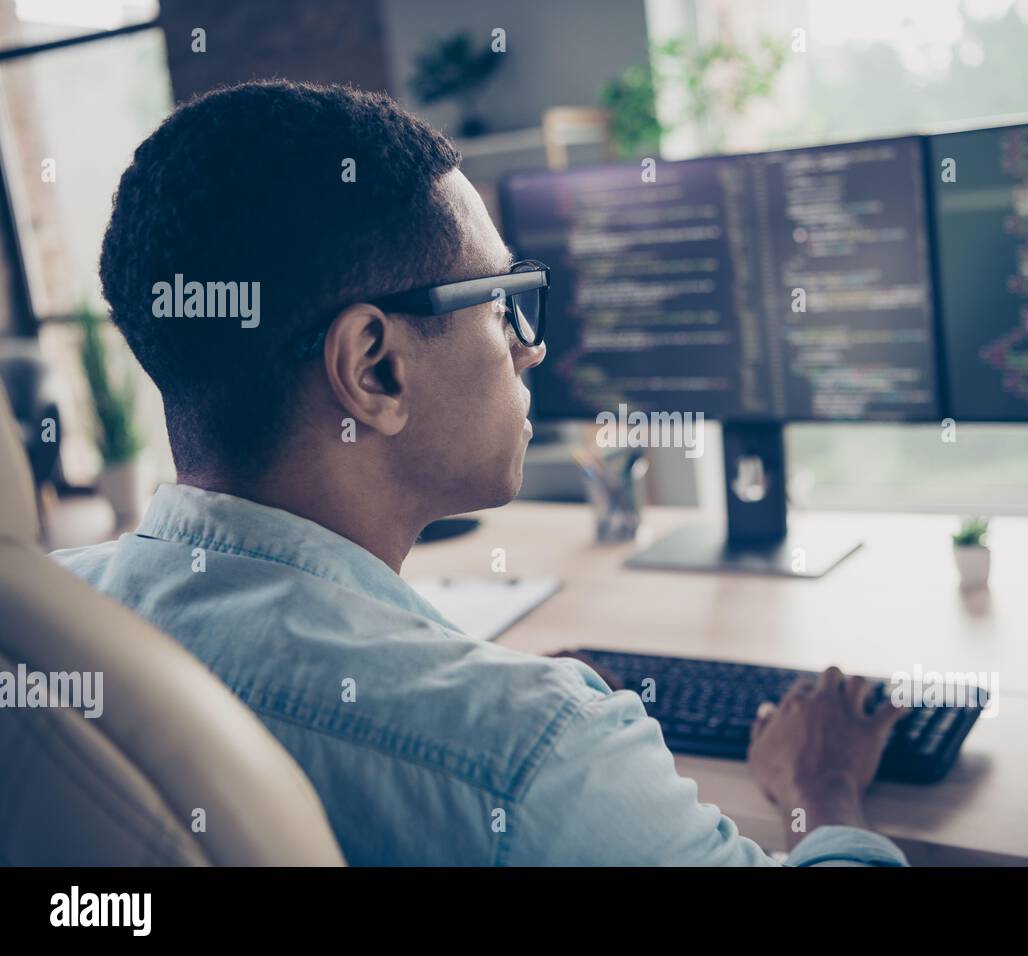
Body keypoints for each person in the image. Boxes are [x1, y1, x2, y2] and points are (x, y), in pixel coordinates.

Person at [53, 80, 909, 866]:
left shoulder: (41, 632)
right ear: (375, 370)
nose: (530, 346)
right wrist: (823, 790)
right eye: (499, 302)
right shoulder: (537, 754)